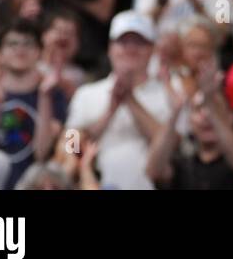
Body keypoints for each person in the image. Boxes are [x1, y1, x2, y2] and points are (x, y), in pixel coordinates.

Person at [62, 11, 171, 190]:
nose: (130, 48)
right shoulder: (86, 94)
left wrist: (130, 100)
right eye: (123, 41)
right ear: (110, 48)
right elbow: (69, 147)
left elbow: (170, 147)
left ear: (152, 49)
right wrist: (108, 113)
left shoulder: (168, 94)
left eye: (139, 42)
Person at [0, 21, 67, 189]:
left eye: (28, 43)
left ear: (39, 52)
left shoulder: (55, 95)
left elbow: (41, 153)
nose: (20, 49)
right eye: (12, 44)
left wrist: (44, 96)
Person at [145, 61, 233, 190]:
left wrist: (210, 105)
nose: (206, 117)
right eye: (198, 110)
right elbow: (153, 171)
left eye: (216, 108)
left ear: (232, 118)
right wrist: (175, 112)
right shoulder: (183, 163)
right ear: (190, 120)